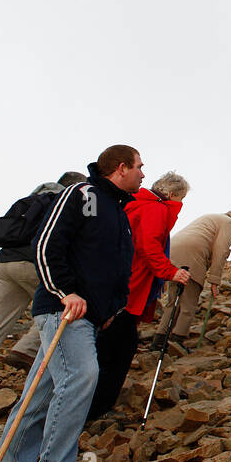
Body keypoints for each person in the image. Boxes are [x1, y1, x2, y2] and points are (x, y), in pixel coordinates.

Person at [0, 146, 141, 462]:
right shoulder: (82, 194)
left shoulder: (118, 211)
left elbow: (114, 267)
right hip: (65, 312)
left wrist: (112, 308)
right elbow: (46, 244)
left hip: (89, 317)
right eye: (139, 167)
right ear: (120, 168)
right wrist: (66, 291)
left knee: (35, 401)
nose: (143, 174)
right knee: (82, 376)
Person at [0, 174, 83, 414]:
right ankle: (26, 350)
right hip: (35, 264)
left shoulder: (34, 198)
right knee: (59, 311)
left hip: (2, 265)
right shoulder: (67, 201)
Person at [86, 171, 190, 422]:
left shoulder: (135, 204)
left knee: (107, 346)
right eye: (182, 198)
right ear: (173, 194)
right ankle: (95, 408)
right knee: (118, 350)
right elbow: (148, 246)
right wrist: (170, 272)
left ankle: (88, 403)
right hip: (129, 290)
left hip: (116, 285)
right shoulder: (156, 209)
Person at [159, 209, 231, 345]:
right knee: (189, 304)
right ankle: (177, 341)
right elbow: (220, 251)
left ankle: (159, 340)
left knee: (173, 301)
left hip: (173, 252)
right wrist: (214, 281)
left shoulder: (214, 217)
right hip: (192, 255)